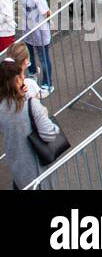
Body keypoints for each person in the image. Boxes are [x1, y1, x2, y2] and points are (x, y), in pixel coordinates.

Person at [0, 57, 64, 189]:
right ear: (16, 81)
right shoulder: (31, 105)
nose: (24, 77)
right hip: (37, 170)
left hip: (18, 170)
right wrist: (44, 114)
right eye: (22, 75)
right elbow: (49, 134)